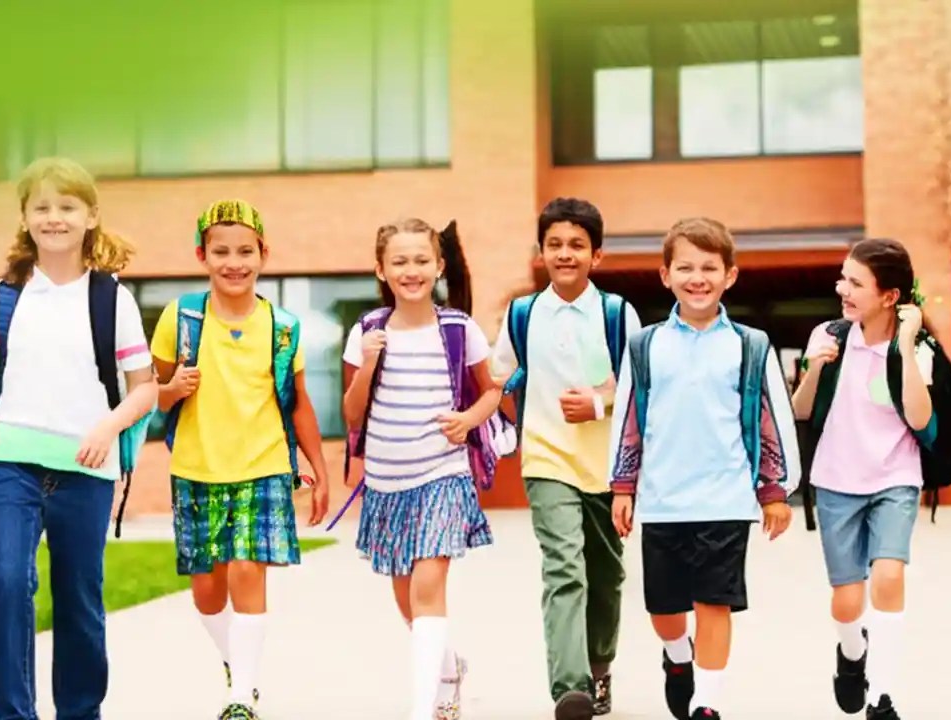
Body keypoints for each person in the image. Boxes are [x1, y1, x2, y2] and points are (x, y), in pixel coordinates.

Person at [0, 157, 158, 720]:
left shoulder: (111, 298)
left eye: (67, 206)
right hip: (11, 465)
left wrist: (107, 425)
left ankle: (80, 712)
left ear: (90, 215)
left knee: (78, 603)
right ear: (25, 217)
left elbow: (144, 388)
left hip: (86, 468)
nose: (54, 217)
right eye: (42, 207)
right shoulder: (5, 294)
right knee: (4, 586)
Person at [608, 217, 800, 720]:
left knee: (715, 602)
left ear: (730, 275)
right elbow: (630, 417)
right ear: (665, 275)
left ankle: (708, 703)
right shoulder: (646, 345)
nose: (698, 278)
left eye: (710, 268)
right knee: (665, 611)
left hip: (726, 497)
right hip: (663, 499)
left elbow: (767, 420)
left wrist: (774, 489)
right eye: (686, 267)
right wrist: (623, 485)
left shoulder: (749, 344)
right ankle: (678, 657)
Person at [150, 199, 331, 720]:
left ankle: (239, 698)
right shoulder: (180, 318)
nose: (234, 262)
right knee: (208, 593)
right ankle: (238, 665)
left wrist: (317, 469)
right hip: (196, 468)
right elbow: (152, 396)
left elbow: (297, 403)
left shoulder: (282, 328)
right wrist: (171, 388)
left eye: (246, 251)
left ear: (263, 254)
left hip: (265, 465)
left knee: (248, 571)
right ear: (202, 255)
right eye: (221, 251)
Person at [341, 218, 497, 720]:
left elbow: (492, 389)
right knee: (408, 599)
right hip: (387, 483)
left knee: (429, 591)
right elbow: (350, 414)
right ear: (382, 270)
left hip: (443, 476)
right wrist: (366, 364)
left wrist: (469, 419)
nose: (412, 271)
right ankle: (449, 670)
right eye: (400, 262)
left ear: (439, 265)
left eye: (421, 260)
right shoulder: (366, 331)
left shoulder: (458, 328)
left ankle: (421, 707)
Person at [490, 197, 640, 720]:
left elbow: (641, 386)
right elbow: (497, 376)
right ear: (542, 252)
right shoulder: (523, 313)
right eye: (555, 244)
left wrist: (599, 401)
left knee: (606, 575)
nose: (565, 253)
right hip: (546, 458)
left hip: (606, 466)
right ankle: (569, 688)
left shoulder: (618, 312)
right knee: (564, 568)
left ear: (596, 255)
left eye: (577, 245)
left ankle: (599, 670)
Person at [791, 238, 950, 720]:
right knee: (846, 602)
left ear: (889, 296)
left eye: (855, 282)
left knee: (888, 576)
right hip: (837, 482)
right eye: (843, 277)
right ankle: (852, 653)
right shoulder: (830, 334)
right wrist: (816, 364)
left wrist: (903, 344)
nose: (843, 288)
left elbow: (922, 421)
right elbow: (800, 410)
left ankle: (882, 697)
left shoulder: (917, 349)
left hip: (894, 480)